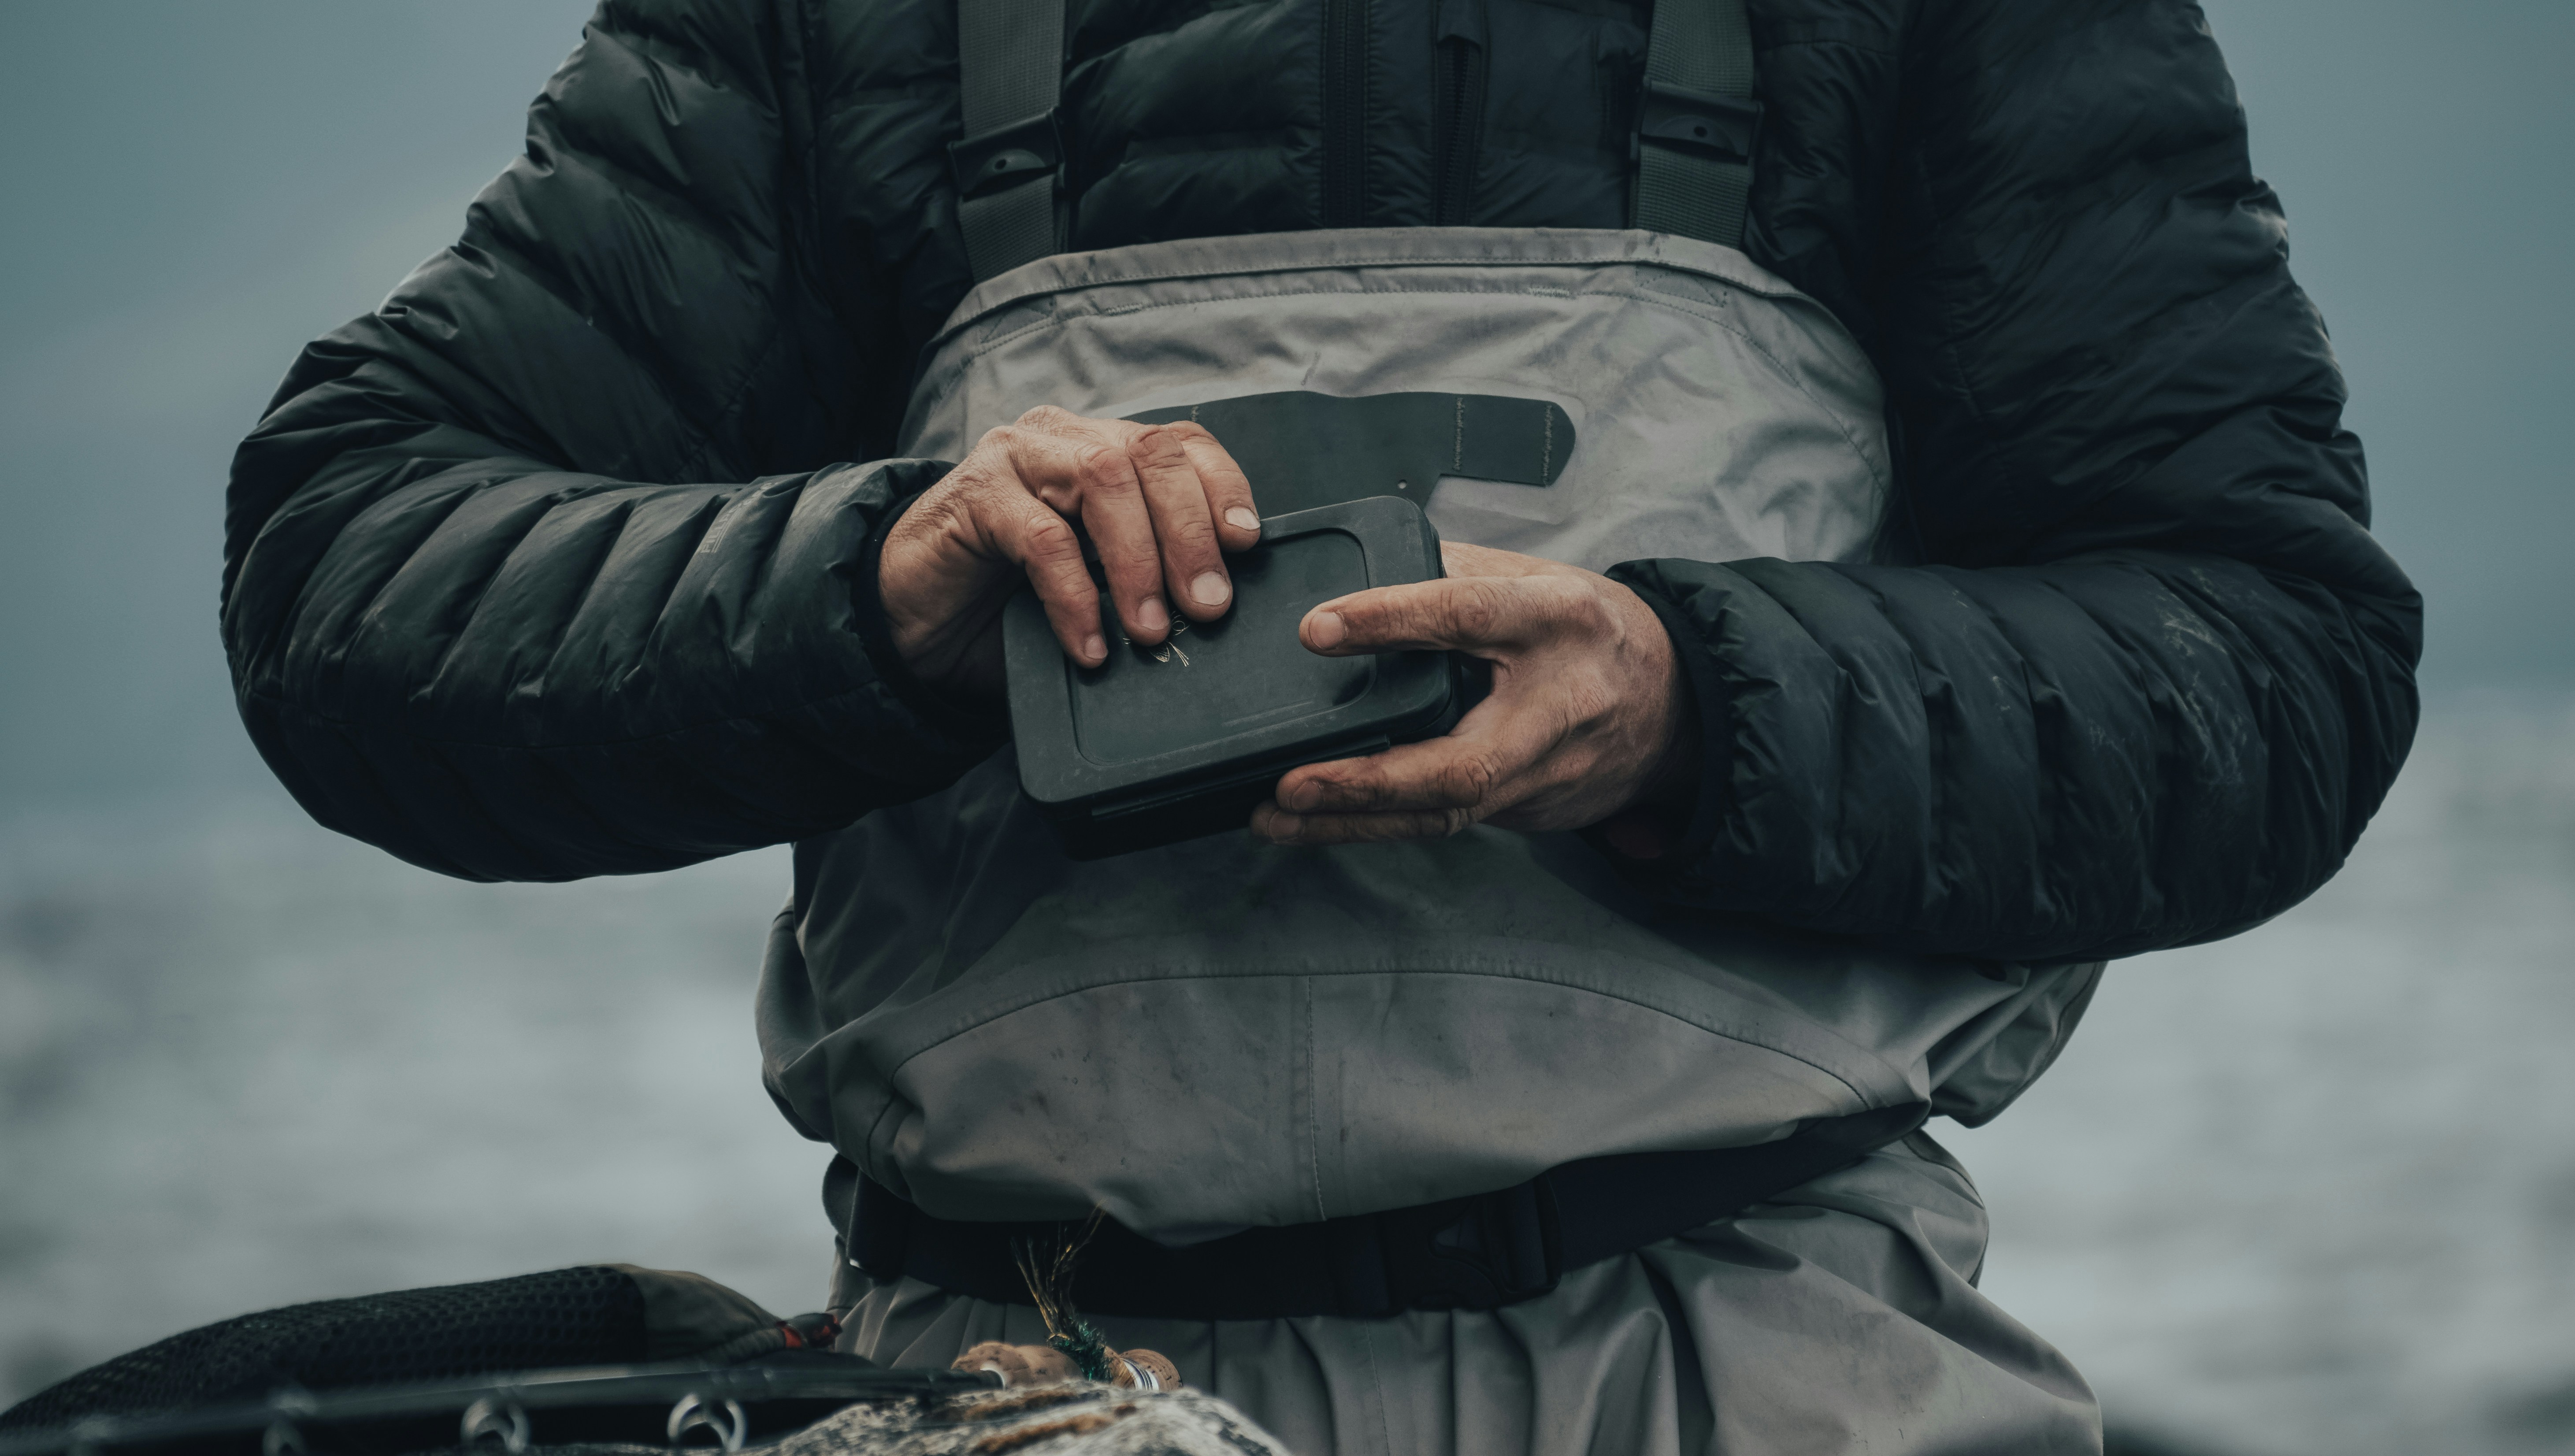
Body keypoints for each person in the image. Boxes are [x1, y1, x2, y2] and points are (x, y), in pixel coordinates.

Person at [218, 0, 2420, 1449]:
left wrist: (1694, 704)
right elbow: (349, 574)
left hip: (1768, 1375)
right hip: (1002, 1393)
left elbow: (2269, 659)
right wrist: (881, 588)